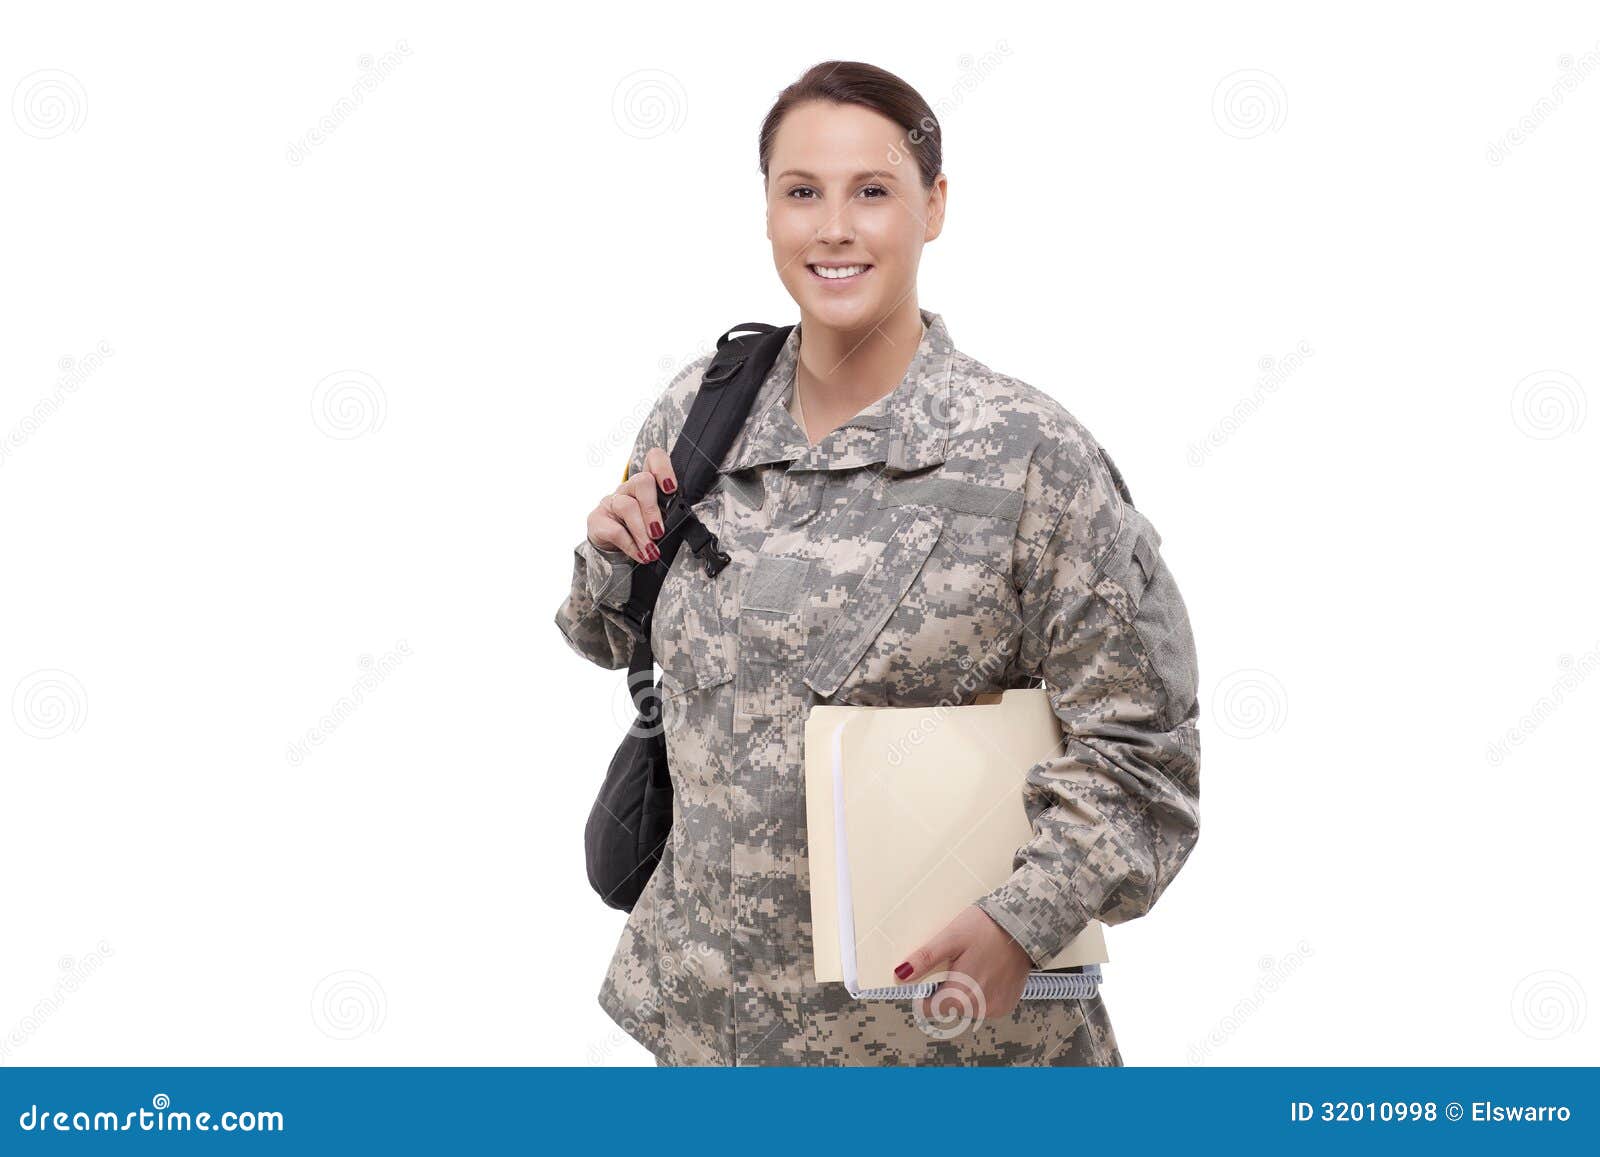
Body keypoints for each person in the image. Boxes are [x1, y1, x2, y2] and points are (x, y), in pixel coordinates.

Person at [555, 60, 1201, 1066]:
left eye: (873, 191)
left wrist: (1021, 919)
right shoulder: (702, 413)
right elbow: (614, 639)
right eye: (801, 192)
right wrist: (610, 559)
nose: (833, 228)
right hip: (711, 1037)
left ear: (933, 207)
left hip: (948, 1053)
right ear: (766, 207)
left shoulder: (1027, 456)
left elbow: (1143, 754)